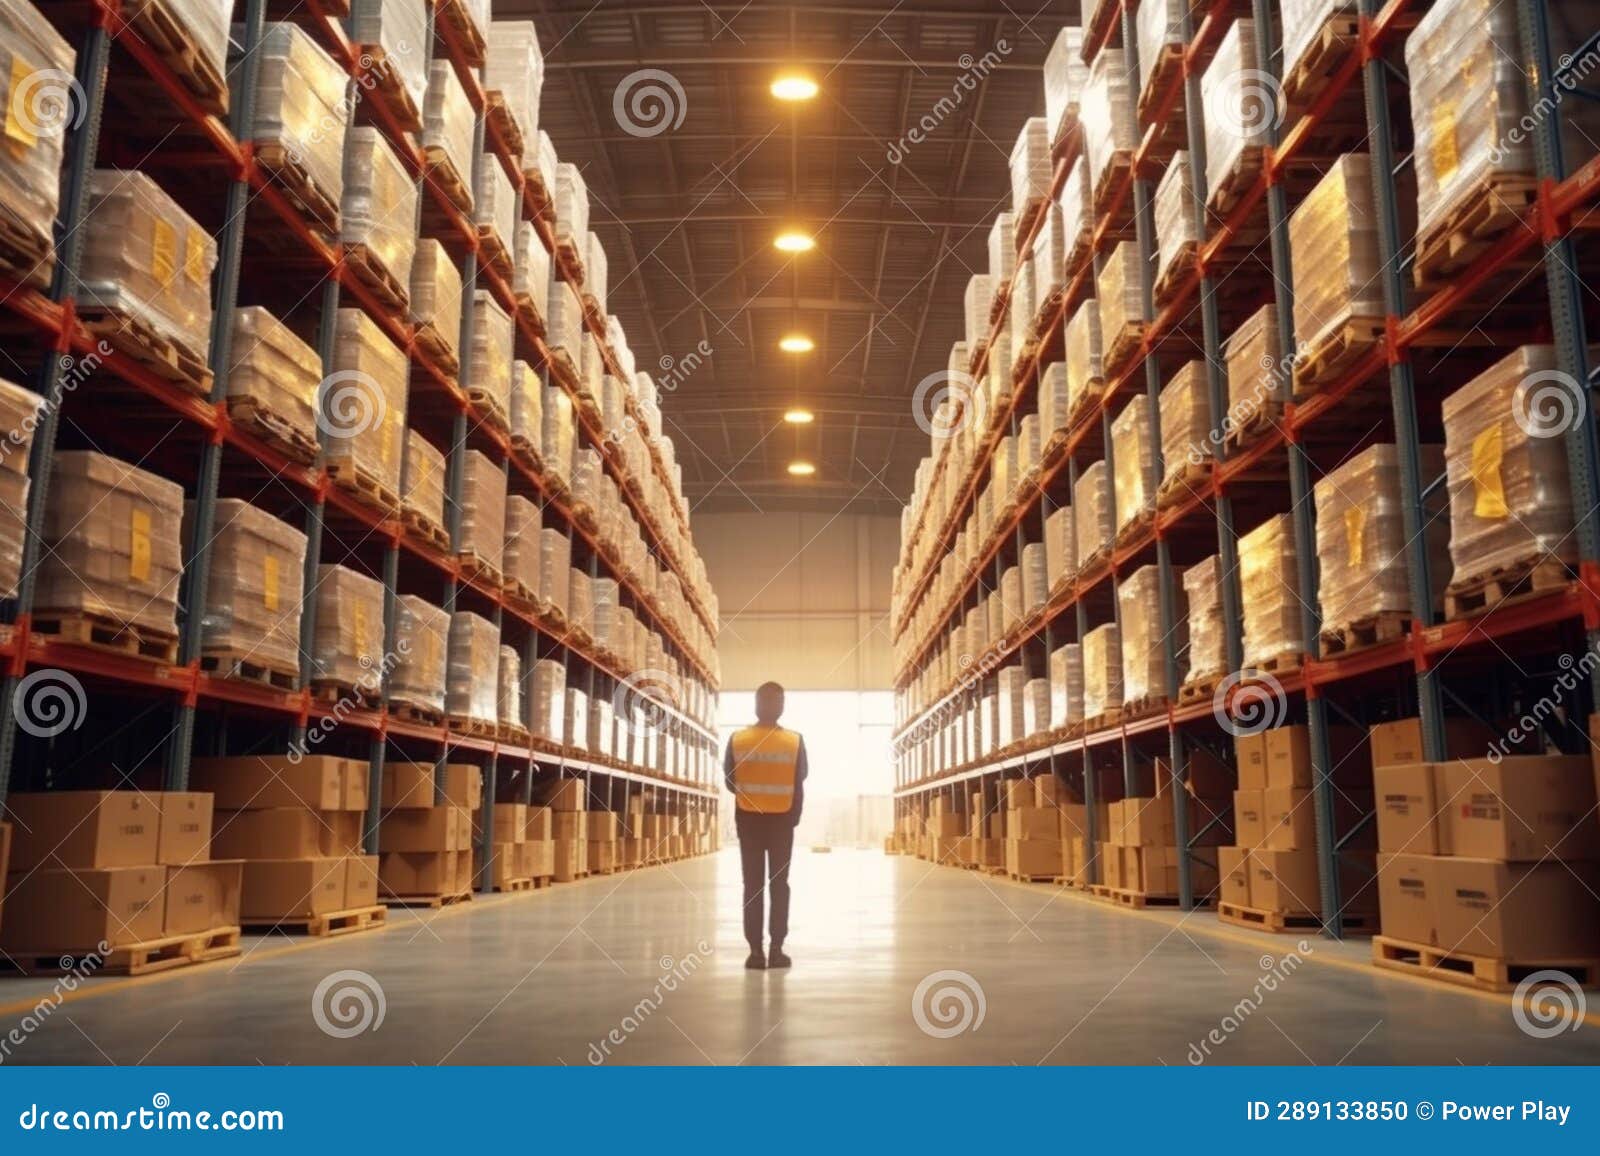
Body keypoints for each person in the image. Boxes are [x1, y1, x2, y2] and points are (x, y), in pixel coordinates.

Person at [724, 681, 807, 970]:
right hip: (782, 822)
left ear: (756, 706)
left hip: (748, 820)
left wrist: (752, 797)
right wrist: (792, 815)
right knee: (779, 885)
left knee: (753, 886)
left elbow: (729, 780)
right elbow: (799, 780)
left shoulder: (738, 739)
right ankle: (777, 950)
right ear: (781, 707)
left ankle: (755, 953)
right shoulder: (794, 741)